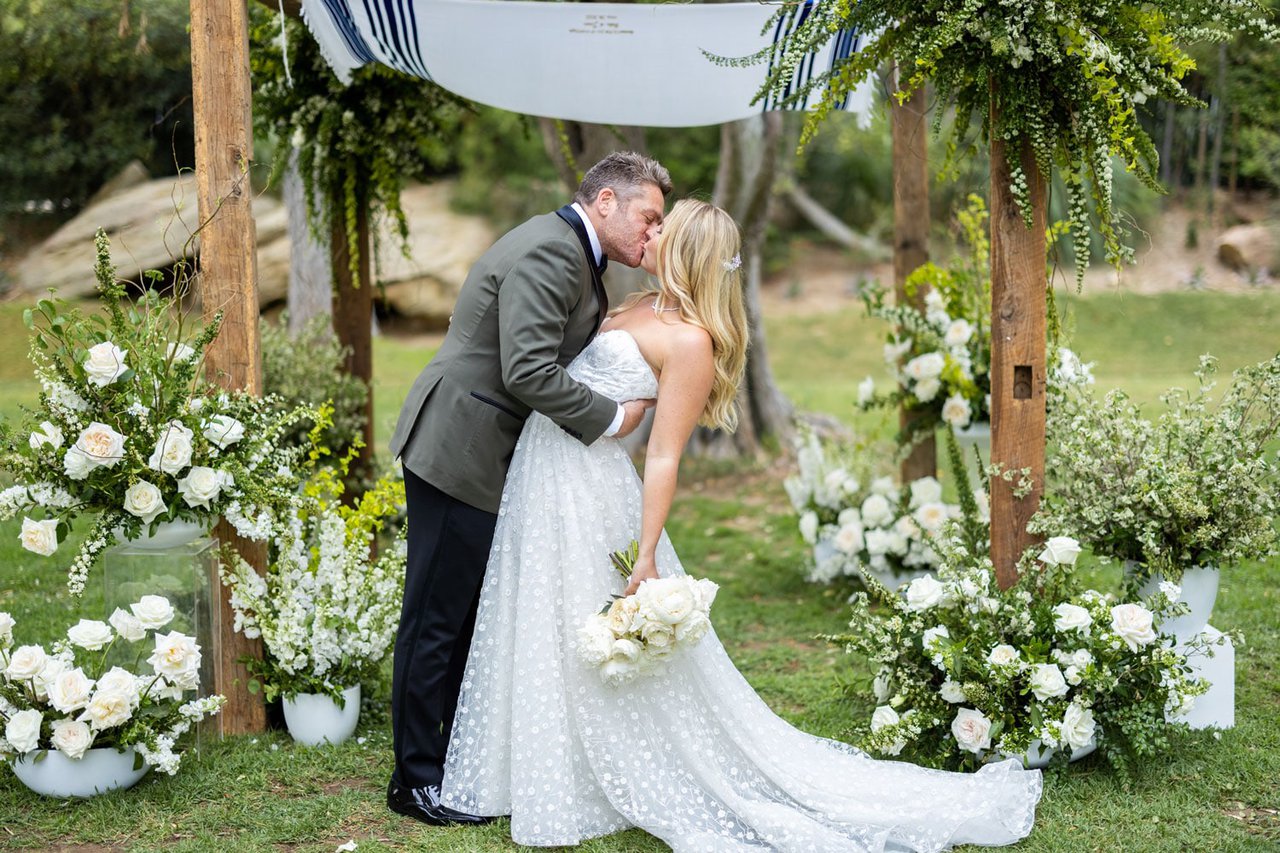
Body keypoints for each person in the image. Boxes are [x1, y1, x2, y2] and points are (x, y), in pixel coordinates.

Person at [439, 199, 1044, 850]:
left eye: (664, 228)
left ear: (687, 250)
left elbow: (665, 453)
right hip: (545, 471)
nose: (653, 231)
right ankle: (540, 763)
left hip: (590, 488)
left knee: (585, 618)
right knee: (541, 618)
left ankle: (587, 769)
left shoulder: (691, 341)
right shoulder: (635, 302)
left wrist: (646, 553)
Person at [386, 152, 673, 825]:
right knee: (435, 617)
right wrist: (614, 419)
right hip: (459, 446)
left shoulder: (575, 250)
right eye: (648, 216)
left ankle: (447, 758)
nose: (652, 233)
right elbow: (526, 369)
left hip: (487, 452)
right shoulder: (553, 252)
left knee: (458, 614)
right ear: (606, 200)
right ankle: (416, 780)